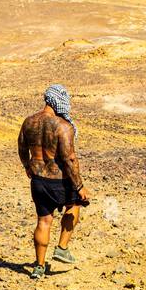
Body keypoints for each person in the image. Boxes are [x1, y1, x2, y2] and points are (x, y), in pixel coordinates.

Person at [18, 85, 91, 278]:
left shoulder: (28, 122)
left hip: (39, 181)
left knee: (44, 221)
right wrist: (80, 186)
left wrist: (27, 166)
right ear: (58, 102)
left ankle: (39, 267)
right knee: (75, 205)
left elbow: (22, 148)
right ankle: (62, 247)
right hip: (60, 181)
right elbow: (69, 159)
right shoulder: (63, 126)